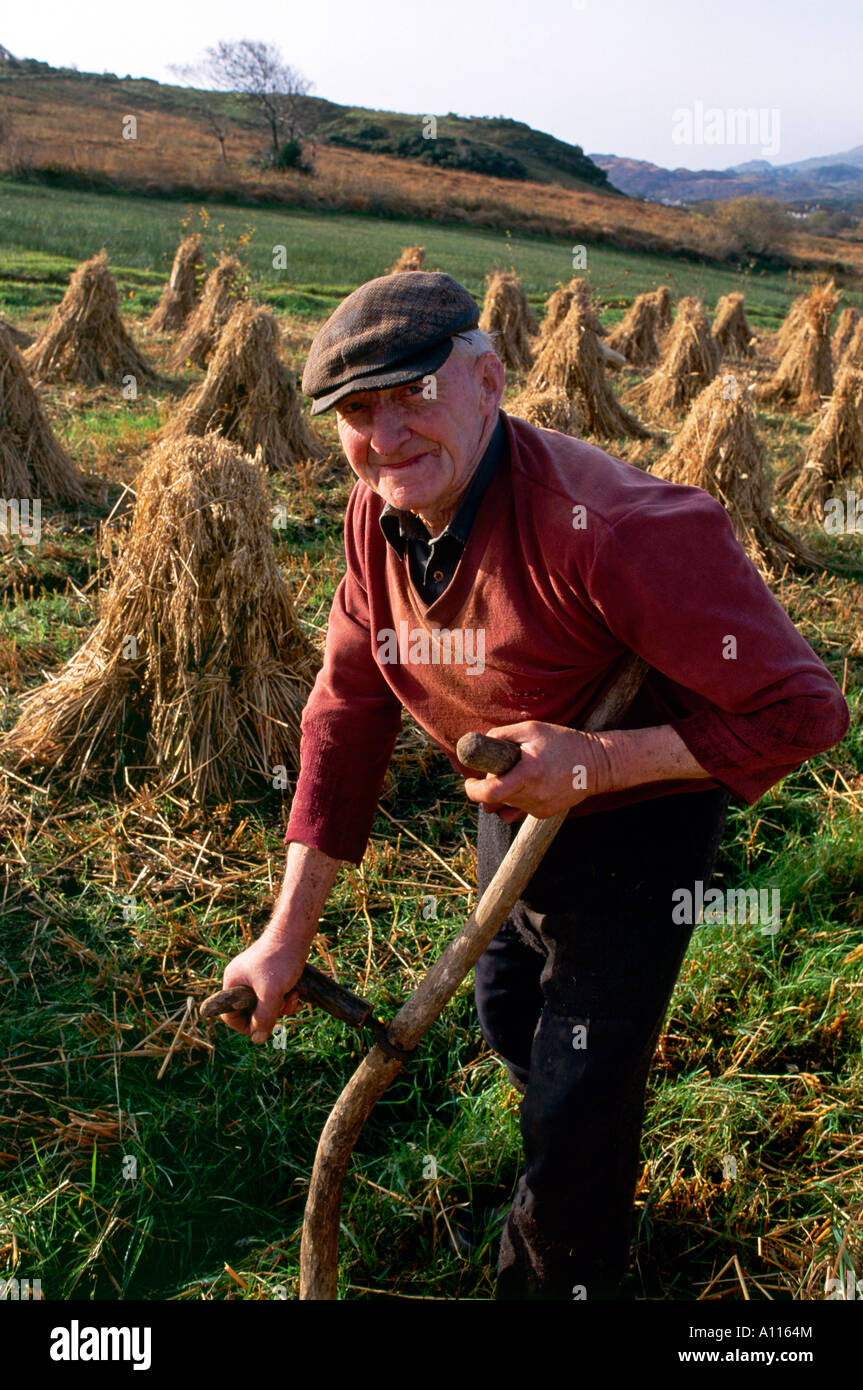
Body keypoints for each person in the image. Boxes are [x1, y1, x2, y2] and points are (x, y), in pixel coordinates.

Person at [217, 271, 849, 1300]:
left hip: (636, 825)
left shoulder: (615, 530)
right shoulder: (375, 521)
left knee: (576, 1107)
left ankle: (564, 1254)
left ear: (487, 381)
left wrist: (594, 762)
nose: (385, 436)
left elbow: (804, 711)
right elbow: (345, 711)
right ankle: (568, 1153)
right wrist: (287, 934)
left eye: (412, 393)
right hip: (511, 804)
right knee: (509, 1025)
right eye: (356, 412)